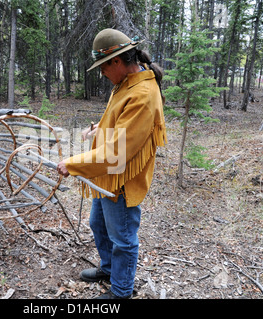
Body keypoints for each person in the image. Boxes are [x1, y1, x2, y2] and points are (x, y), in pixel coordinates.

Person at [57, 28, 167, 299]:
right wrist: (98, 128)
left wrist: (73, 164)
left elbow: (117, 151)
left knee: (123, 238)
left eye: (103, 67)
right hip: (107, 176)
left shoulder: (142, 94)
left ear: (117, 61)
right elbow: (120, 122)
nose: (102, 73)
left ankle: (120, 292)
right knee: (99, 224)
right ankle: (109, 269)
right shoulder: (125, 84)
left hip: (121, 180)